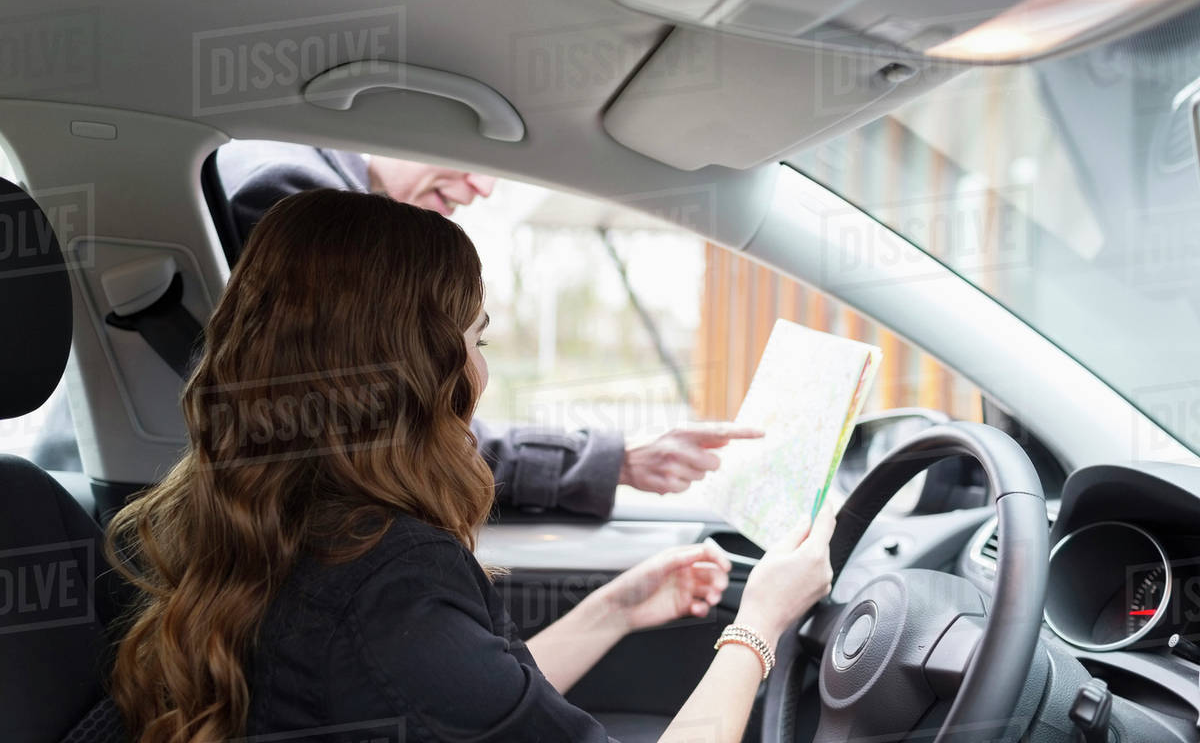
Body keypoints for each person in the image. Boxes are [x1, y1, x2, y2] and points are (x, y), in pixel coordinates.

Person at [106, 190, 836, 743]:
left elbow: (464, 705)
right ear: (419, 367)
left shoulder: (268, 516)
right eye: (474, 338)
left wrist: (616, 609)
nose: (480, 372)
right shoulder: (383, 580)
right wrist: (763, 622)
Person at [215, 139, 759, 518]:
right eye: (474, 341)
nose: (483, 186)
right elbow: (392, 427)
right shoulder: (308, 208)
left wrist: (615, 461)